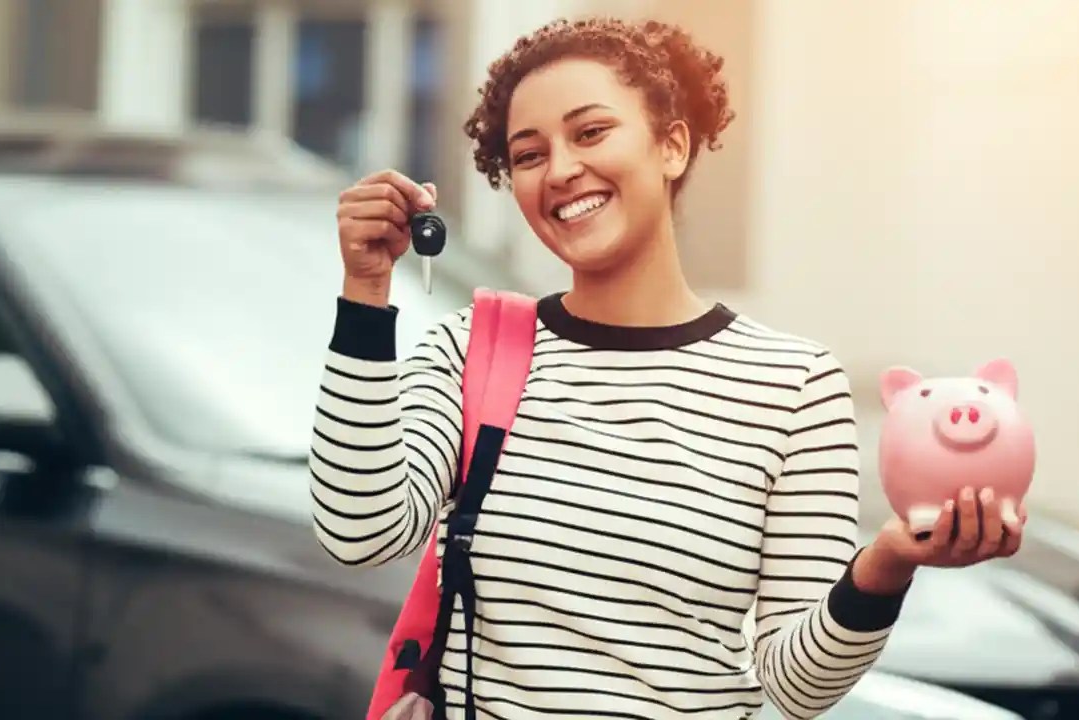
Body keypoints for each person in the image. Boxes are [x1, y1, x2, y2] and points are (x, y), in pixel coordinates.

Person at [310, 16, 1027, 720]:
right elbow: (359, 532)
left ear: (673, 146)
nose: (561, 170)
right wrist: (366, 290)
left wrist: (887, 565)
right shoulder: (475, 350)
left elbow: (796, 687)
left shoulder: (794, 387)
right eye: (528, 154)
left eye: (591, 132)